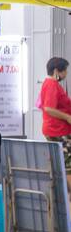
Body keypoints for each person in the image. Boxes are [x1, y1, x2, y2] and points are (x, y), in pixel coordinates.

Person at [38, 57, 71, 189]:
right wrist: (67, 117)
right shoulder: (52, 85)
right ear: (57, 70)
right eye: (65, 71)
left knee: (59, 163)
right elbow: (49, 108)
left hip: (52, 128)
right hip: (59, 130)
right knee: (68, 164)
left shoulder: (47, 83)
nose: (66, 74)